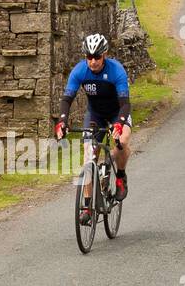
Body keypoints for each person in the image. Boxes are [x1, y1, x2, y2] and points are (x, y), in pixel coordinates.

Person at [54, 33, 132, 222]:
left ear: (104, 55)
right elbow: (67, 99)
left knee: (121, 142)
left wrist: (120, 124)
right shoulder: (80, 71)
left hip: (117, 113)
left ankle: (120, 177)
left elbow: (125, 103)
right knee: (89, 156)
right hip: (95, 114)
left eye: (96, 57)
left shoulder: (116, 70)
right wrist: (62, 122)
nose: (93, 61)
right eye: (89, 57)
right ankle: (87, 206)